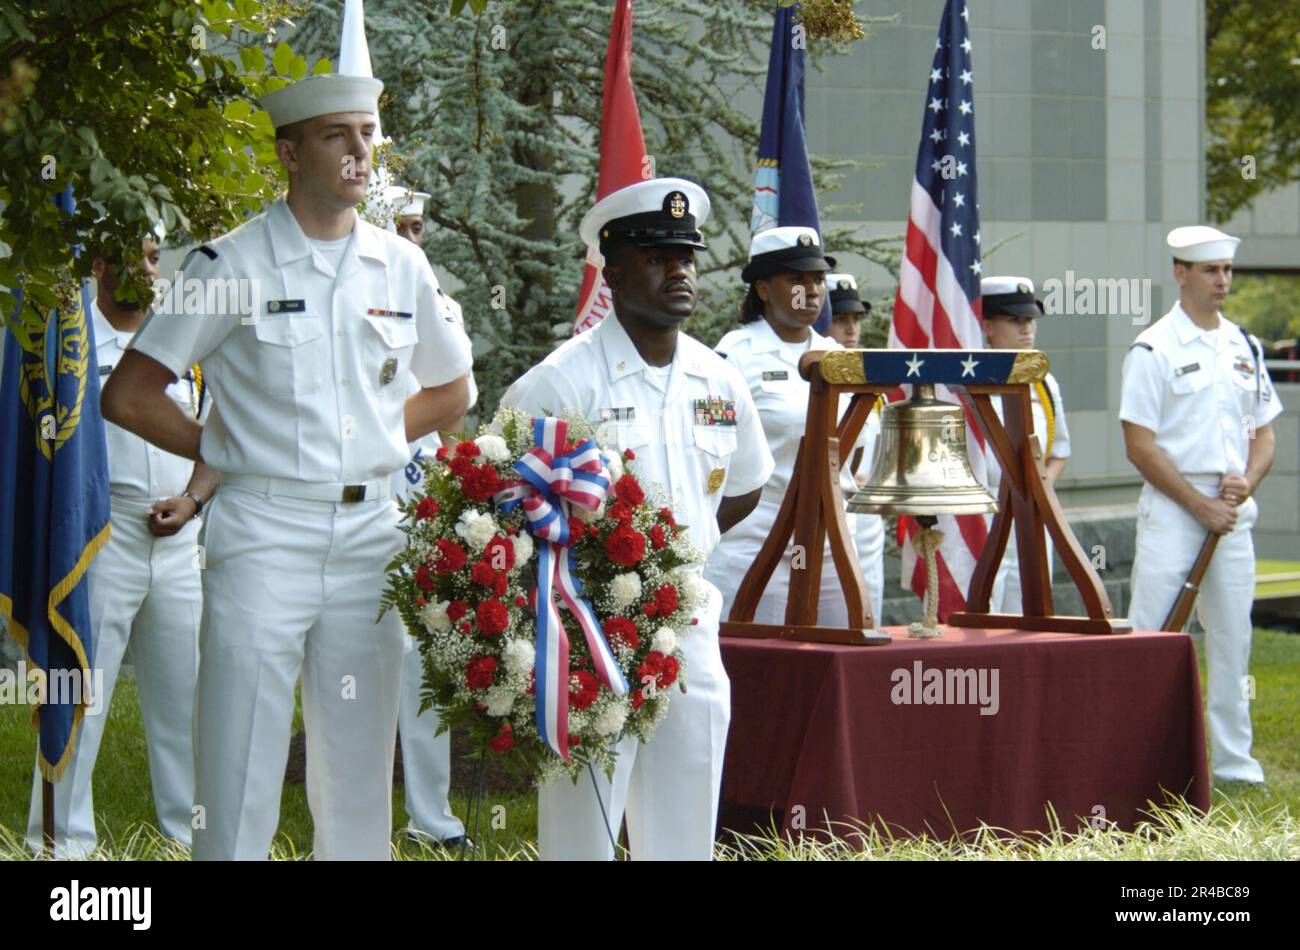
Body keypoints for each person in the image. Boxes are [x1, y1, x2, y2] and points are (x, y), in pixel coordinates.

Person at [101, 73, 473, 859]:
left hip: (372, 534)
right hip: (264, 533)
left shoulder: (400, 268)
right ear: (290, 151)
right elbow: (131, 395)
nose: (360, 152)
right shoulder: (228, 266)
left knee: (360, 768)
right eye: (338, 135)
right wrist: (230, 448)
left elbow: (452, 389)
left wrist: (370, 439)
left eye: (368, 134)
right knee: (237, 761)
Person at [501, 177, 773, 860]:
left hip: (691, 622)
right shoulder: (563, 382)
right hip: (591, 629)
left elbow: (742, 487)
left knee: (686, 818)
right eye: (656, 258)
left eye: (686, 257)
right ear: (613, 271)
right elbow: (505, 497)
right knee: (582, 829)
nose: (678, 271)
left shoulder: (719, 378)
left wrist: (684, 548)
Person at [26, 234, 218, 858]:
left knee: (185, 702)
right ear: (99, 266)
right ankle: (60, 844)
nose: (147, 268)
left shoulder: (180, 351)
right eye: (132, 255)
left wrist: (192, 499)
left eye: (154, 255)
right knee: (81, 694)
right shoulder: (75, 349)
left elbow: (222, 440)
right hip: (101, 540)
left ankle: (187, 839)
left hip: (178, 538)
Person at [1121, 226, 1280, 784]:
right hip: (1173, 509)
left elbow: (1264, 435)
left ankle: (1235, 765)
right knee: (1154, 637)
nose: (1222, 281)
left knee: (1234, 639)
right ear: (1180, 273)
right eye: (1210, 270)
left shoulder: (1245, 345)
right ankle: (1140, 760)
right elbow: (1139, 444)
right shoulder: (1153, 348)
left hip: (1232, 515)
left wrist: (1247, 483)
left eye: (1228, 270)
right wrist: (1198, 505)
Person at [706, 234, 882, 626]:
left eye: (818, 279)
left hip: (835, 543)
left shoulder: (841, 358)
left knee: (839, 663)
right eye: (797, 280)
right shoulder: (732, 357)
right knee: (762, 670)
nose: (813, 291)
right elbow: (712, 454)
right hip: (756, 538)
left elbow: (858, 451)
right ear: (764, 289)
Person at [387, 182, 470, 847]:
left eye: (419, 226)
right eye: (403, 226)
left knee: (423, 660)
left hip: (419, 492)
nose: (415, 239)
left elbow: (454, 403)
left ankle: (431, 818)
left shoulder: (441, 305)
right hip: (346, 484)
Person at [978, 276, 1071, 614]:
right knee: (982, 613)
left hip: (1030, 513)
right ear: (988, 325)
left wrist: (1038, 490)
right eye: (1015, 320)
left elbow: (1059, 451)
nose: (1026, 329)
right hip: (981, 514)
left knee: (1029, 613)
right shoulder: (966, 384)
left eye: (1029, 319)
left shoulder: (1043, 382)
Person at [824, 271, 885, 622]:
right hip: (828, 514)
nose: (851, 330)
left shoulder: (869, 378)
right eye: (841, 319)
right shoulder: (812, 380)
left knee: (869, 613)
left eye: (856, 319)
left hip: (867, 516)